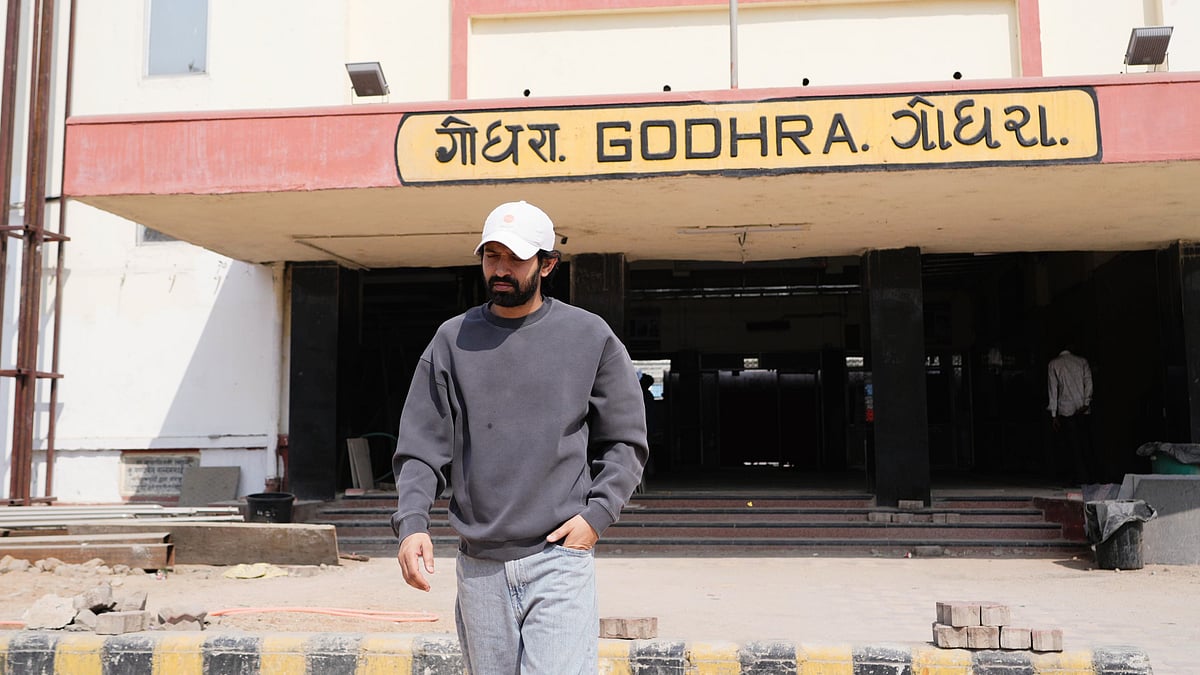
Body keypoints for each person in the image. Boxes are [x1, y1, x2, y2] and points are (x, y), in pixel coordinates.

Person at [391, 200, 648, 674]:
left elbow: (626, 441)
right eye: (492, 256)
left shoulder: (589, 336)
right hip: (479, 565)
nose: (501, 269)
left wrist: (597, 515)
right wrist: (412, 524)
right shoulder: (451, 340)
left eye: (515, 258)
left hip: (559, 559)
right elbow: (420, 448)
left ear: (547, 264)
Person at [1047, 347, 1094, 484]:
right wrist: (1086, 402)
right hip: (1083, 409)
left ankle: (1076, 477)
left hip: (1065, 409)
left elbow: (1053, 390)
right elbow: (1088, 382)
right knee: (1085, 444)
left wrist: (1054, 414)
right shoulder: (1082, 361)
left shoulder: (1054, 364)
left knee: (1071, 446)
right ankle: (1089, 476)